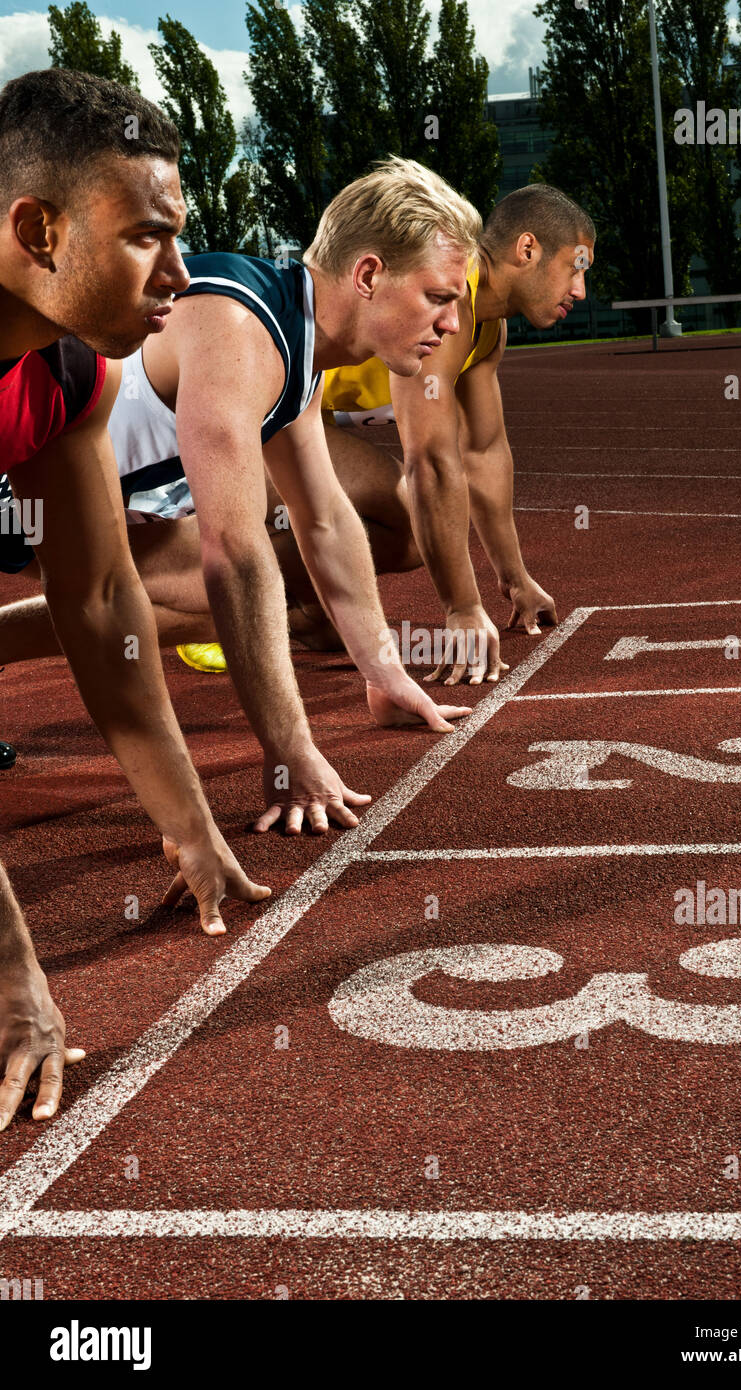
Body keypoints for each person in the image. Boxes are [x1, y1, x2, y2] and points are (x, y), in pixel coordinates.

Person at [0, 158, 475, 834]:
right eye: (438, 296)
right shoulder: (240, 329)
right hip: (18, 477)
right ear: (369, 276)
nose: (453, 323)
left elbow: (326, 520)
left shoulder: (298, 343)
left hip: (92, 492)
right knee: (225, 585)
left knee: (228, 597)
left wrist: (385, 672)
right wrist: (291, 753)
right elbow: (236, 550)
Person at [0, 68, 270, 1134]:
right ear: (39, 228)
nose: (182, 271)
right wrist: (17, 978)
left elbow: (105, 602)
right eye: (147, 237)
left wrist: (189, 825)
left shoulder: (71, 375)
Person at [319, 184, 596, 684]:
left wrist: (515, 579)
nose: (580, 290)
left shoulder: (491, 327)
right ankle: (219, 602)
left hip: (309, 415)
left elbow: (484, 451)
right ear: (527, 249)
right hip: (269, 411)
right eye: (575, 267)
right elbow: (429, 459)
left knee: (393, 553)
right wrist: (462, 607)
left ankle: (300, 607)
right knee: (402, 510)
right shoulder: (452, 299)